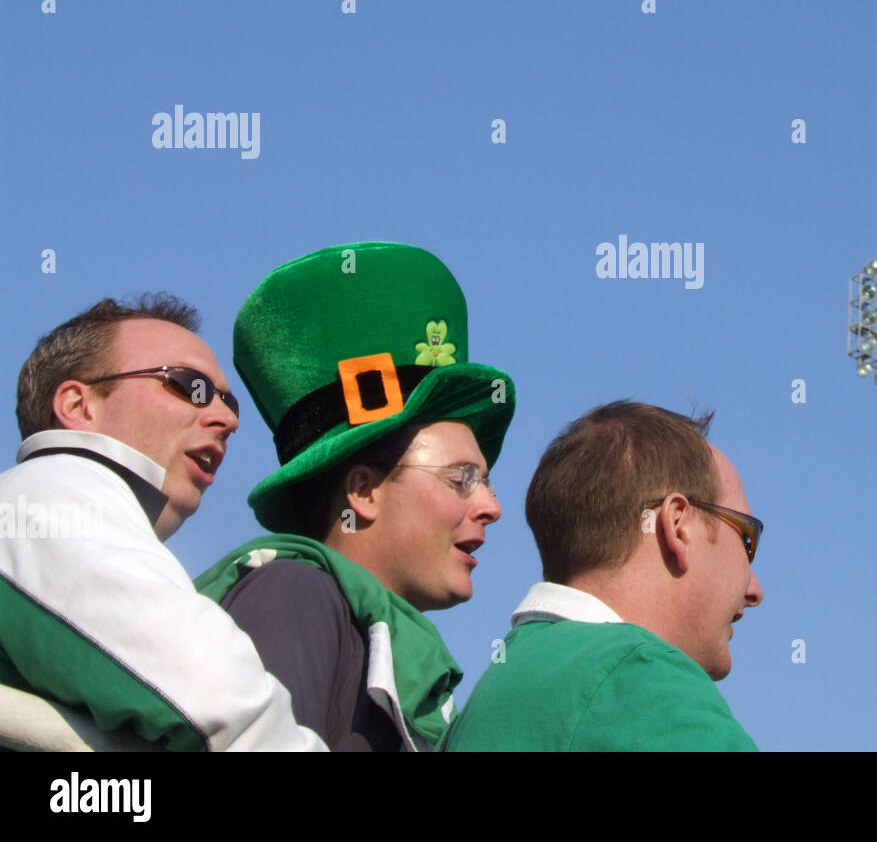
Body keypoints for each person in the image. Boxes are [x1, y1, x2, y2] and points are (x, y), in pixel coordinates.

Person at [194, 242, 515, 751]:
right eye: (462, 478)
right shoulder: (295, 596)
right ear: (363, 492)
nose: (491, 507)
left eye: (487, 480)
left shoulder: (371, 634)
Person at [0, 295, 326, 751]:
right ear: (78, 405)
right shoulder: (47, 490)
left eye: (229, 401)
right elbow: (218, 703)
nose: (227, 418)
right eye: (190, 386)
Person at [445, 400, 764, 751]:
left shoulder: (492, 694)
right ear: (678, 525)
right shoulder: (644, 683)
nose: (755, 590)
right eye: (746, 538)